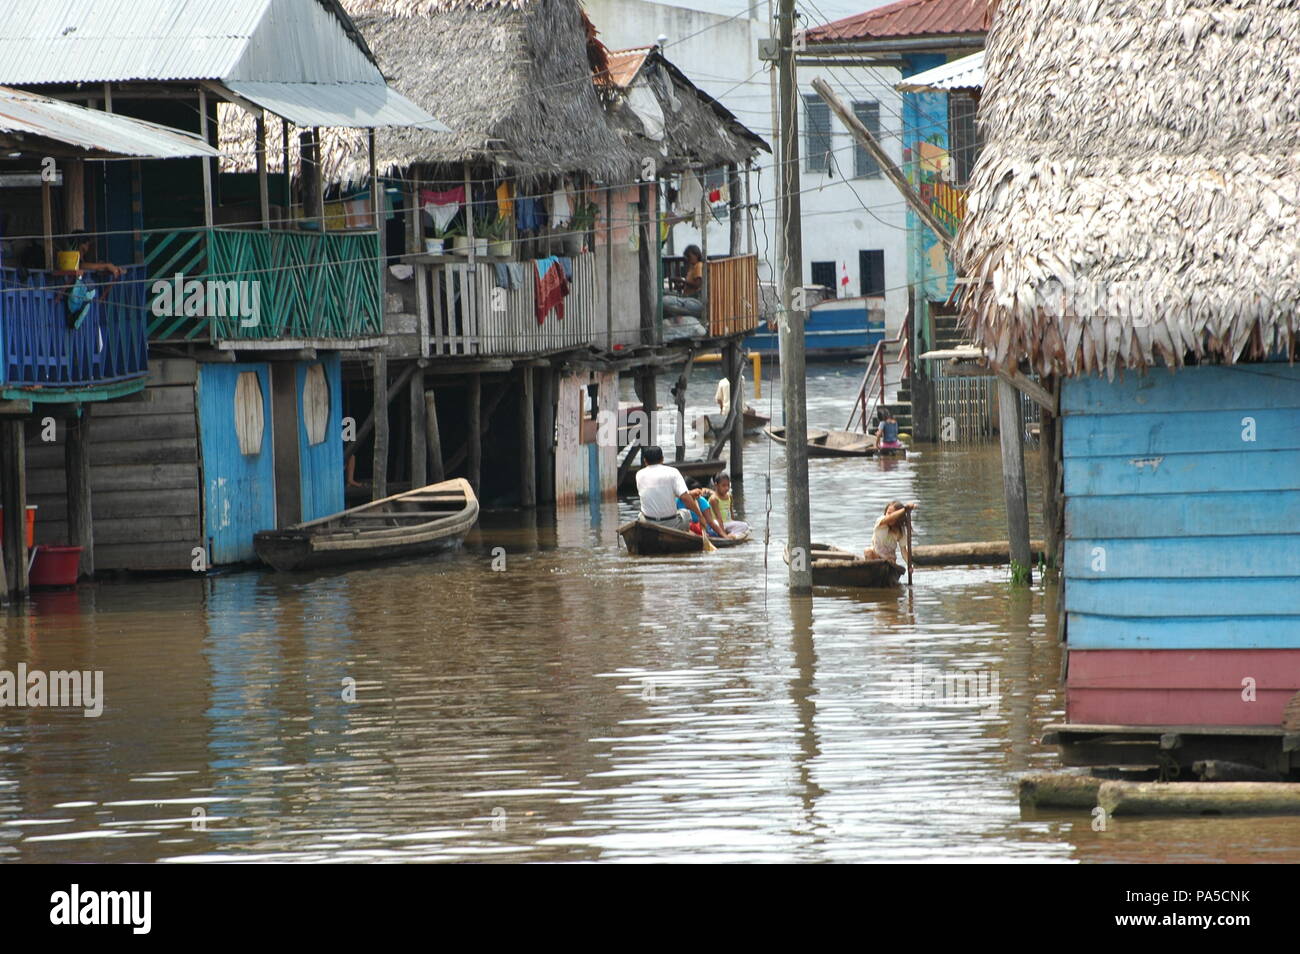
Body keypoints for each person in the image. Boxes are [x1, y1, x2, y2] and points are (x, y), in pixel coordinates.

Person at [636, 445, 704, 532]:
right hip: (671, 523)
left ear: (645, 461)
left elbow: (659, 491)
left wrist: (689, 493)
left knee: (639, 515)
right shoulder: (673, 472)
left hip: (648, 522)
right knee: (685, 513)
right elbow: (685, 498)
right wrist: (700, 516)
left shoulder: (639, 475)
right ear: (662, 459)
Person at [662, 244, 706, 340]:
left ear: (696, 255)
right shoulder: (692, 267)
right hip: (687, 296)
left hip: (693, 299)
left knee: (668, 303)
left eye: (689, 256)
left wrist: (682, 281)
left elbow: (697, 284)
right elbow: (690, 284)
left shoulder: (699, 266)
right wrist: (681, 285)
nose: (688, 259)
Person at [865, 500, 917, 566]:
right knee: (868, 551)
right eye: (888, 513)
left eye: (892, 513)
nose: (889, 516)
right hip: (876, 557)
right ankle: (870, 572)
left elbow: (903, 551)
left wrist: (910, 565)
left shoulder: (900, 530)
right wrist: (905, 509)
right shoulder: (881, 522)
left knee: (890, 561)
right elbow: (890, 518)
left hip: (890, 560)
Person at [707, 473, 750, 537]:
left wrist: (733, 524)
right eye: (723, 486)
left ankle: (731, 534)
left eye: (728, 485)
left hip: (727, 523)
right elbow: (718, 517)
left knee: (745, 526)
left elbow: (731, 512)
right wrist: (723, 534)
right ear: (716, 485)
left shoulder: (729, 496)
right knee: (715, 524)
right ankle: (729, 534)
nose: (727, 488)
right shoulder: (714, 499)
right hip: (717, 524)